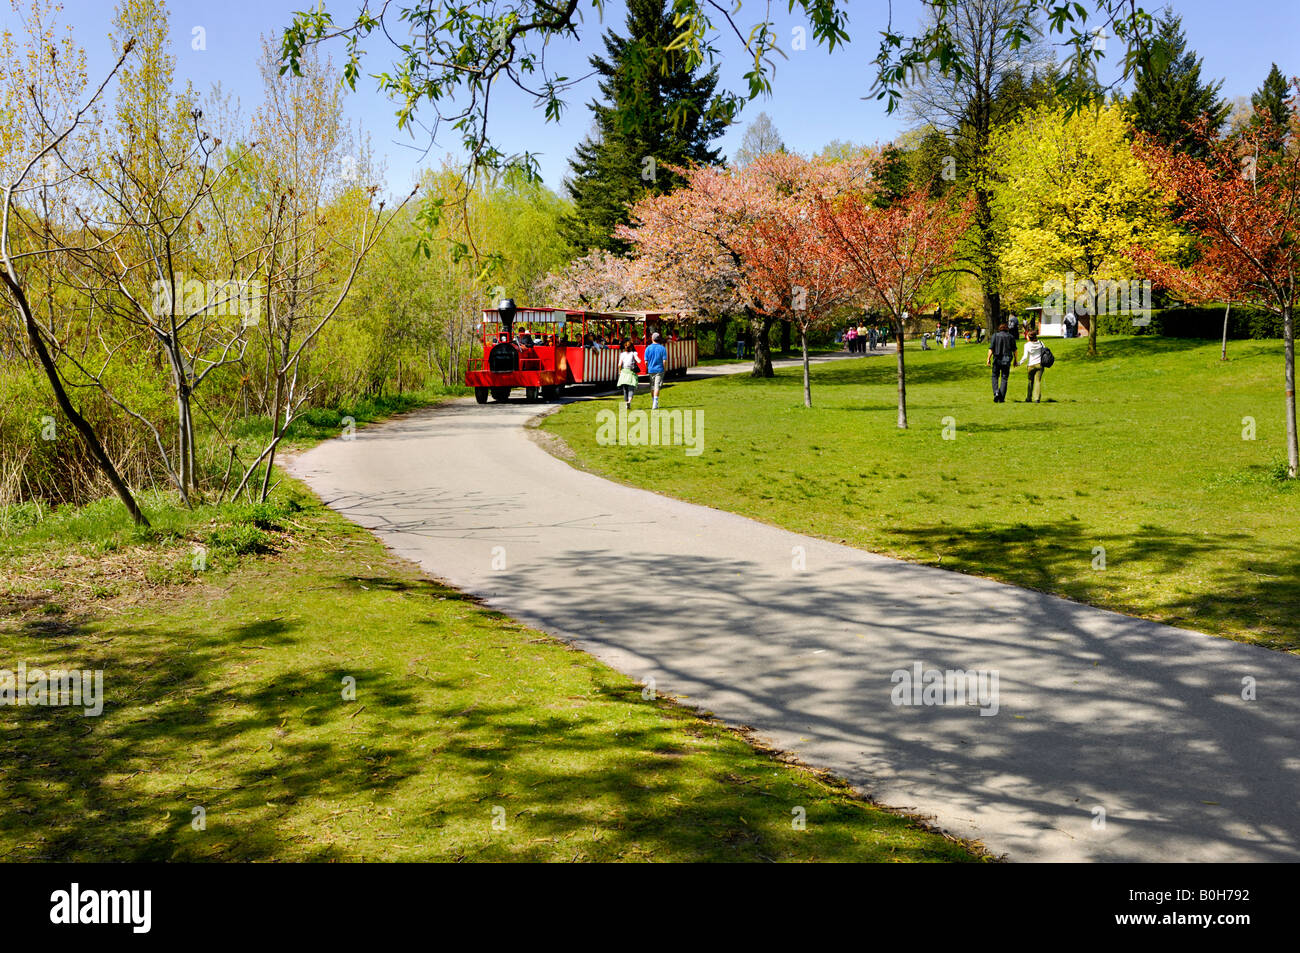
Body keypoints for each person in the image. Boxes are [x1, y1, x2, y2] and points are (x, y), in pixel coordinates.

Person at [986, 322, 1016, 403]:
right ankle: (1001, 397)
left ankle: (996, 392)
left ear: (999, 328)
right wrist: (1015, 360)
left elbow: (991, 348)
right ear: (1007, 328)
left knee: (994, 376)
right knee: (1004, 378)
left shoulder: (995, 336)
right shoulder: (1011, 337)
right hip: (1007, 360)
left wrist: (988, 358)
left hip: (997, 359)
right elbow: (1015, 350)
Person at [1018, 329, 1046, 402]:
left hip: (1031, 365)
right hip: (1040, 364)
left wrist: (1019, 363)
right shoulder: (1041, 343)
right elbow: (1044, 352)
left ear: (1029, 337)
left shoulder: (1027, 345)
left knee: (1030, 381)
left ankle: (1029, 398)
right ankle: (1037, 398)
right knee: (1038, 381)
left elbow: (1025, 357)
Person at [644, 331, 668, 410]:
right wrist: (664, 369)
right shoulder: (662, 348)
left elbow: (646, 361)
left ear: (652, 339)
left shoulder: (648, 348)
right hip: (659, 369)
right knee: (657, 386)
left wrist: (647, 368)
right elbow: (664, 361)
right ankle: (655, 402)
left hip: (651, 370)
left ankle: (653, 401)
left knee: (652, 386)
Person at [617, 340, 640, 407]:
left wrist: (619, 371)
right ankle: (629, 401)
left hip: (624, 372)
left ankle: (626, 402)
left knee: (625, 389)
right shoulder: (633, 353)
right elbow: (638, 361)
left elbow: (619, 364)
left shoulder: (622, 354)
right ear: (631, 347)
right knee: (631, 388)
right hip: (631, 372)